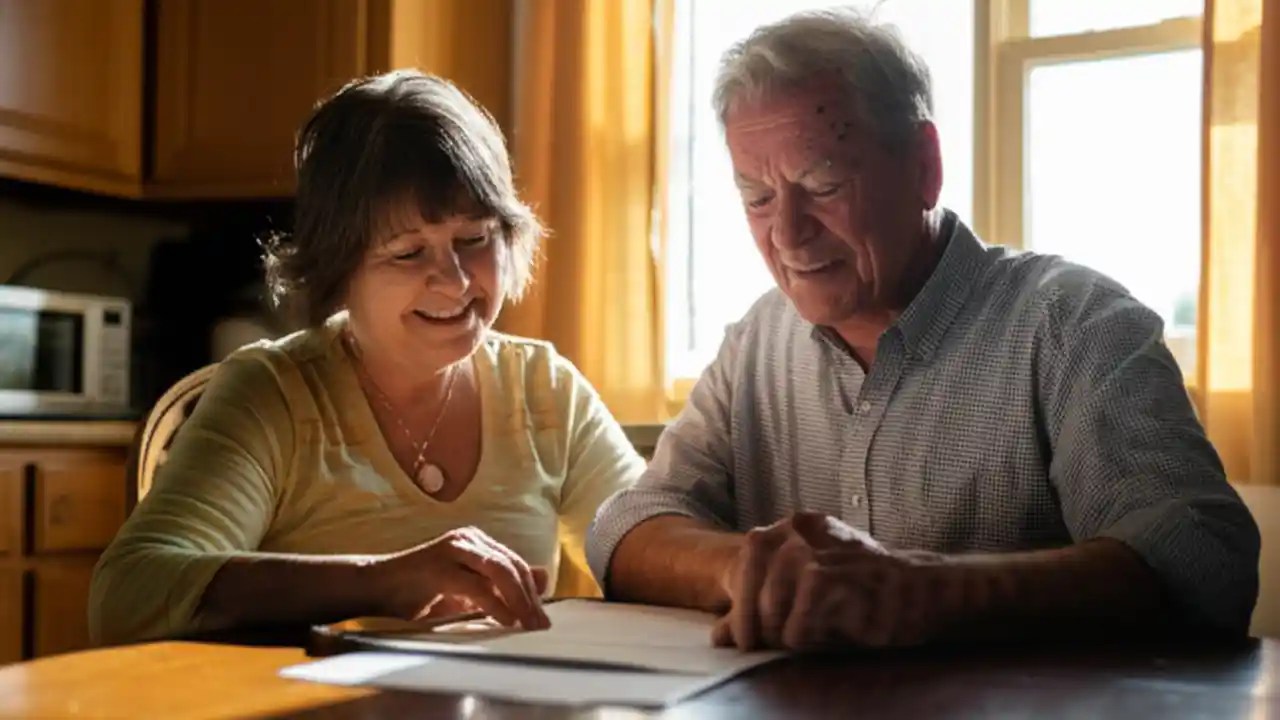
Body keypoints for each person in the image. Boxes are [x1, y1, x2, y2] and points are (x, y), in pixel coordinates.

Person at [586, 8, 1261, 651]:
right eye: (757, 199)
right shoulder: (757, 342)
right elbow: (625, 529)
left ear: (923, 166)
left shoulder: (1072, 324)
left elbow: (1202, 556)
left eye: (823, 184)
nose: (786, 234)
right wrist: (753, 571)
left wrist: (926, 594)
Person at [89, 70, 645, 645]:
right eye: (407, 253)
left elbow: (642, 541)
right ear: (338, 267)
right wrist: (377, 581)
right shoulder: (271, 393)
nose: (454, 282)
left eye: (474, 239)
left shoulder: (544, 387)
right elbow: (127, 593)